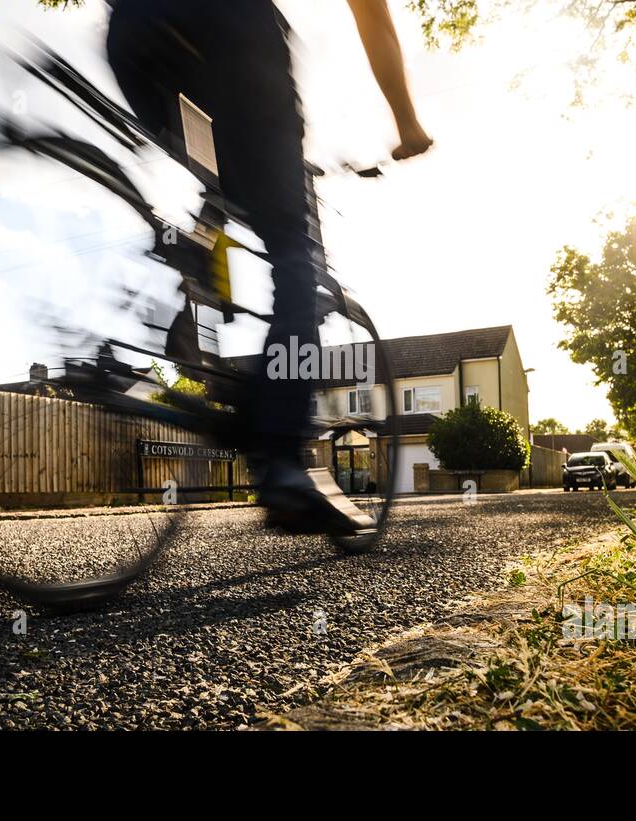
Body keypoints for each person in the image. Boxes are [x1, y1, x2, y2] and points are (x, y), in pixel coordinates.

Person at [105, 0, 432, 535]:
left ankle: (192, 302)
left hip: (137, 37)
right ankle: (281, 460)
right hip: (232, 37)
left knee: (220, 185)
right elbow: (371, 12)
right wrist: (407, 122)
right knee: (293, 254)